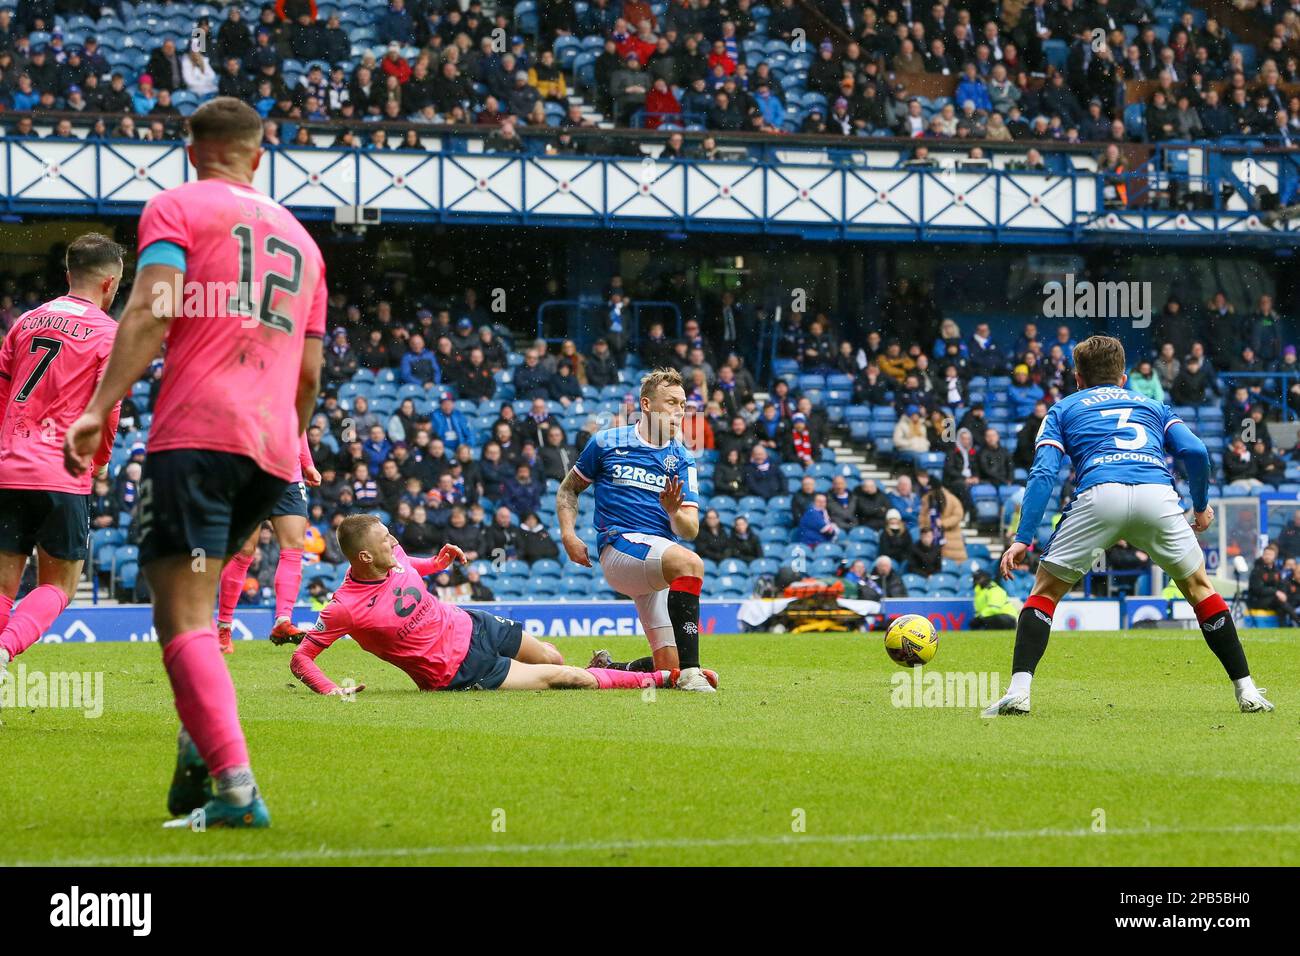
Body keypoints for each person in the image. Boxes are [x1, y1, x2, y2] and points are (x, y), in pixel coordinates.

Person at [64, 97, 330, 828]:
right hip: (273, 451)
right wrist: (292, 442)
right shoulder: (307, 244)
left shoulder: (177, 206)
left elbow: (152, 309)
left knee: (180, 616)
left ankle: (236, 788)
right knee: (206, 594)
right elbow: (308, 377)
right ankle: (196, 744)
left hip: (197, 438)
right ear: (259, 151)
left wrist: (97, 407)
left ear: (192, 150)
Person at [990, 335, 1273, 716]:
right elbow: (1196, 451)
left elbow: (1044, 474)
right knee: (1199, 588)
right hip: (1155, 494)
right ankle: (1247, 691)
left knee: (1045, 592)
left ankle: (1019, 693)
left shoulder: (1062, 409)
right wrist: (1200, 506)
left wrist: (1023, 538)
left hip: (1099, 494)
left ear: (1077, 378)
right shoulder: (1153, 405)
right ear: (1123, 378)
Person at [288, 515, 676, 693]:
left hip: (471, 623)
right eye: (385, 541)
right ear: (365, 559)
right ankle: (662, 679)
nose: (393, 543)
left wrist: (437, 564)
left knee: (553, 659)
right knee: (564, 678)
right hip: (456, 670)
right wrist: (330, 690)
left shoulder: (393, 553)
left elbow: (411, 565)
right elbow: (301, 659)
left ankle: (603, 669)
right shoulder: (344, 607)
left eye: (391, 537)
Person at [0, 235, 124, 681]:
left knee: (2, 586)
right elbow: (108, 409)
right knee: (59, 584)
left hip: (8, 466)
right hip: (61, 471)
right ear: (110, 283)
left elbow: (1, 392)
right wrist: (101, 459)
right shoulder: (110, 334)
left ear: (69, 275)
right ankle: (3, 651)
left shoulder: (25, 321)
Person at [557, 368, 717, 691]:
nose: (679, 411)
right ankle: (692, 674)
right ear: (646, 404)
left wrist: (674, 512)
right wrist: (568, 535)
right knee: (691, 564)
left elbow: (690, 529)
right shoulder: (607, 443)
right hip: (619, 550)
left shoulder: (683, 458)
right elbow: (568, 490)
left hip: (659, 558)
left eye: (683, 405)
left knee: (667, 668)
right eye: (671, 402)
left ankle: (610, 668)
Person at [215, 434, 322, 651]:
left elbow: (297, 425)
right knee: (244, 551)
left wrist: (307, 464)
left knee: (294, 547)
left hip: (288, 479)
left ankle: (283, 621)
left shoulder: (293, 398)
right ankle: (224, 627)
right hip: (249, 477)